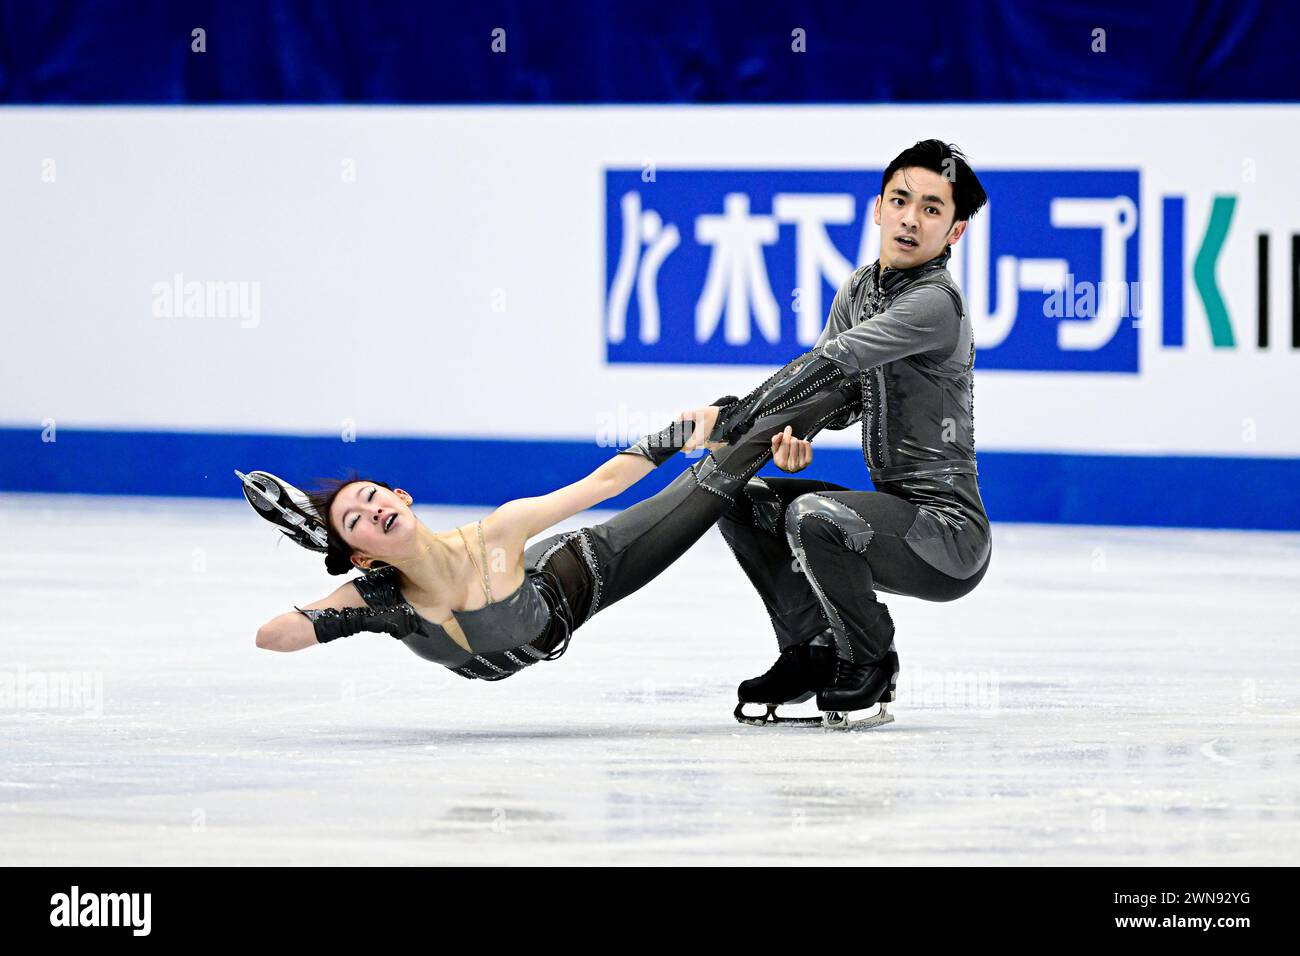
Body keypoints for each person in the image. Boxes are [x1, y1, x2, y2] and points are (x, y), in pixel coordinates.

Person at [240, 361, 864, 691]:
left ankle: (837, 384)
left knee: (714, 482)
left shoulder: (499, 531)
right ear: (363, 555)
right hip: (415, 585)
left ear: (402, 496)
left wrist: (678, 434)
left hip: (582, 573)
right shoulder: (382, 601)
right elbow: (273, 637)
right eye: (358, 520)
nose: (374, 508)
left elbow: (602, 486)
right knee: (739, 492)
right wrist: (346, 608)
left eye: (374, 496)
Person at [681, 139, 994, 729]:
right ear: (877, 208)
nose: (910, 218)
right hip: (892, 510)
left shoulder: (935, 304)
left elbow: (827, 365)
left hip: (947, 537)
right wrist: (793, 433)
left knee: (814, 516)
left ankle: (870, 656)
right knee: (741, 500)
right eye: (900, 200)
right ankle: (813, 649)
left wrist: (737, 418)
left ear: (954, 233)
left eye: (932, 209)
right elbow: (840, 398)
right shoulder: (858, 290)